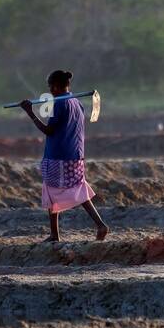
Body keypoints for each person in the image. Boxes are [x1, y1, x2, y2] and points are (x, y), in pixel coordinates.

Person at [19, 70, 109, 242]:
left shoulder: (60, 104)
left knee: (50, 190)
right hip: (75, 156)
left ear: (55, 86)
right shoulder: (76, 103)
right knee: (79, 189)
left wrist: (30, 112)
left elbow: (49, 130)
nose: (50, 90)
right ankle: (100, 225)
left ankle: (55, 234)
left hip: (58, 156)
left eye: (50, 87)